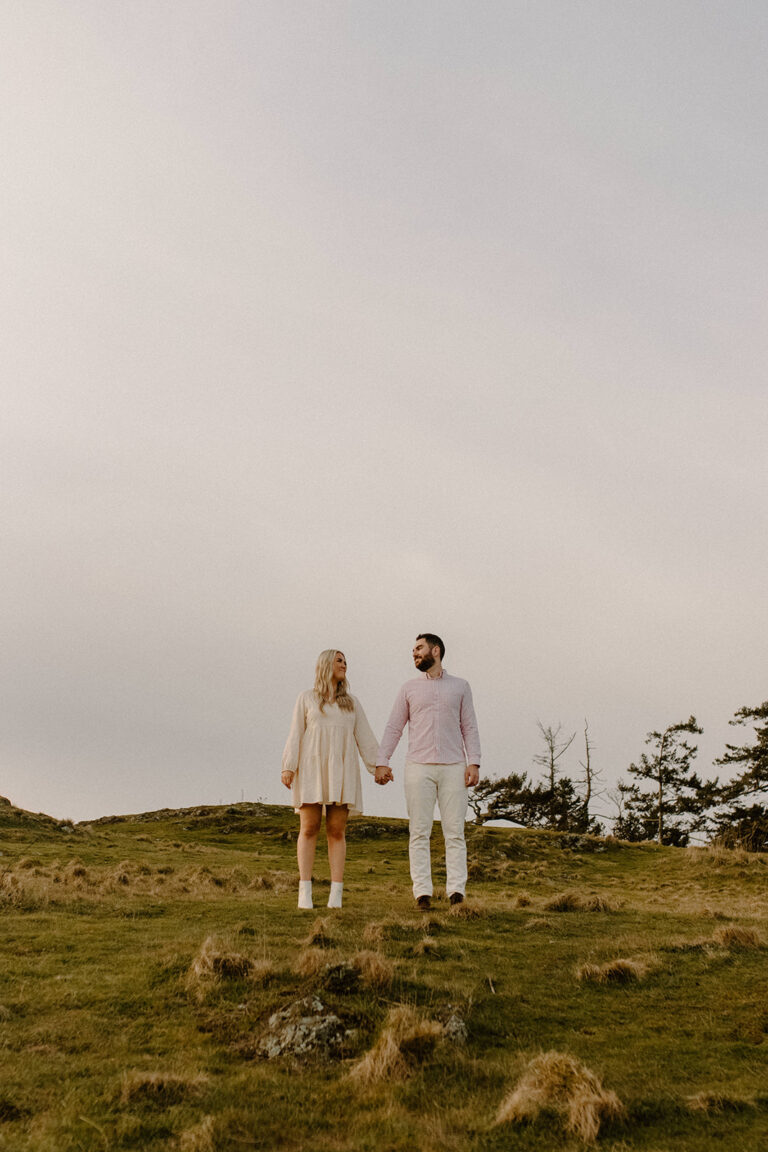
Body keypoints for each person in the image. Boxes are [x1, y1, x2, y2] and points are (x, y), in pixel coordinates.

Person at [375, 633, 481, 910]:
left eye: (419, 648)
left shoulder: (461, 686)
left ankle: (456, 892)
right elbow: (394, 727)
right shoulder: (409, 688)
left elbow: (469, 726)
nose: (414, 653)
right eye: (413, 650)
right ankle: (422, 893)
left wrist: (474, 761)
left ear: (436, 650)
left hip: (454, 766)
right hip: (418, 767)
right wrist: (382, 760)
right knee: (419, 831)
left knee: (454, 831)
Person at [281, 649, 379, 910]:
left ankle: (336, 895)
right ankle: (305, 892)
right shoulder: (306, 699)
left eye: (346, 660)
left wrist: (378, 766)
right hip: (312, 768)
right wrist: (288, 767)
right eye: (339, 660)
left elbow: (365, 737)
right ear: (325, 665)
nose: (344, 664)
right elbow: (296, 734)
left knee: (336, 831)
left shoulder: (352, 703)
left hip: (342, 770)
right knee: (309, 827)